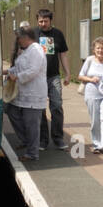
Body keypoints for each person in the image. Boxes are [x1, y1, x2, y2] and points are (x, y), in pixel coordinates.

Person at [3, 25, 47, 161]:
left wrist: (17, 76)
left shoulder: (36, 50)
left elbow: (33, 70)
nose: (18, 41)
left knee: (31, 124)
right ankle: (26, 141)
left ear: (25, 38)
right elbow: (19, 67)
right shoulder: (27, 51)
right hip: (23, 93)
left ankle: (32, 153)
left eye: (19, 38)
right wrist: (7, 72)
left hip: (33, 93)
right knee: (10, 110)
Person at [35, 10, 71, 150]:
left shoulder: (58, 34)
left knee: (56, 106)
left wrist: (67, 74)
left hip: (53, 76)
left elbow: (63, 55)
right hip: (37, 79)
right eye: (40, 21)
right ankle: (43, 140)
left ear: (51, 20)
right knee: (40, 109)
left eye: (45, 21)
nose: (43, 24)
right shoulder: (33, 34)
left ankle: (58, 138)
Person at [77, 37, 103, 154]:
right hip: (92, 94)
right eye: (98, 48)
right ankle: (96, 144)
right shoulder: (89, 60)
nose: (100, 50)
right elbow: (80, 76)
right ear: (94, 50)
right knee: (95, 121)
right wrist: (90, 79)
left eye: (102, 48)